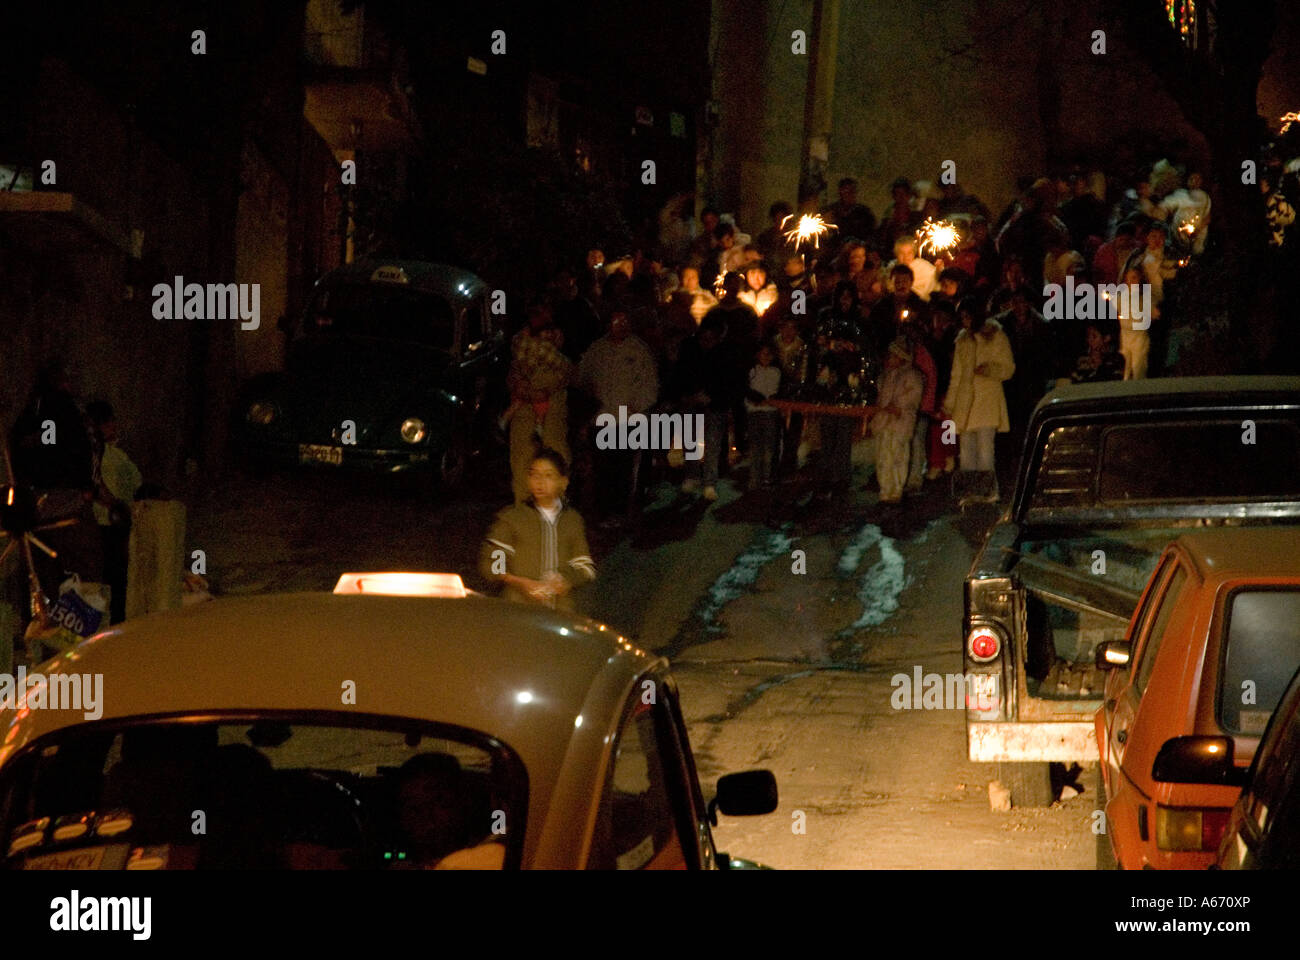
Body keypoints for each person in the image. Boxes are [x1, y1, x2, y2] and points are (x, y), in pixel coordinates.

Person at [479, 448, 595, 611]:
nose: (540, 482)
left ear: (563, 482)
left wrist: (565, 580)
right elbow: (492, 563)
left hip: (561, 612)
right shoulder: (512, 518)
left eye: (548, 476)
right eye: (535, 475)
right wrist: (518, 582)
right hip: (519, 609)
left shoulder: (572, 520)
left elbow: (585, 566)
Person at [577, 310, 659, 522]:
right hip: (601, 417)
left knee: (622, 468)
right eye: (617, 322)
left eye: (625, 322)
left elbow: (650, 384)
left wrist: (638, 407)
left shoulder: (638, 350)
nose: (621, 326)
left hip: (626, 419)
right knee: (602, 468)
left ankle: (620, 511)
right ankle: (603, 511)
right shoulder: (597, 350)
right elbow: (583, 379)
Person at [942, 303, 1015, 505]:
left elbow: (1008, 368)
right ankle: (972, 491)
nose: (965, 321)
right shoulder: (963, 340)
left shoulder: (995, 336)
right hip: (966, 401)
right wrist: (950, 403)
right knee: (966, 449)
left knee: (985, 448)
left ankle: (988, 491)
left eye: (968, 317)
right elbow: (956, 374)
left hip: (987, 398)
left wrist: (990, 369)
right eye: (962, 318)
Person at [670, 314, 743, 502]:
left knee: (713, 444)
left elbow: (728, 378)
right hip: (690, 399)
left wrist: (711, 395)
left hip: (715, 402)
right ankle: (692, 476)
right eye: (704, 338)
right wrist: (691, 394)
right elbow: (681, 372)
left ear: (720, 337)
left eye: (711, 339)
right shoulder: (689, 347)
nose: (707, 343)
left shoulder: (726, 351)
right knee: (690, 440)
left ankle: (709, 482)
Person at [505, 305, 573, 504]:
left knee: (556, 455)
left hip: (551, 407)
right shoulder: (522, 344)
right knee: (522, 460)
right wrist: (523, 388)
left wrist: (543, 388)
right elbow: (513, 373)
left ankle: (556, 505)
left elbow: (567, 372)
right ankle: (524, 509)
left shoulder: (557, 353)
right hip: (525, 408)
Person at [86, 401, 141, 625]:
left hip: (95, 523)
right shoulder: (112, 457)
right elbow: (130, 488)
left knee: (102, 582)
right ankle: (118, 626)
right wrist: (120, 507)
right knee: (118, 581)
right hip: (111, 524)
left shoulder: (98, 452)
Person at [869, 339, 924, 504]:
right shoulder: (886, 376)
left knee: (899, 456)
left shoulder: (912, 376)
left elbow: (913, 396)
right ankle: (885, 490)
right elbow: (881, 397)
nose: (890, 359)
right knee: (883, 456)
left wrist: (899, 405)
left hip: (900, 421)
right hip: (885, 421)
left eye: (894, 355)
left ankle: (896, 489)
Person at [744, 343, 782, 489]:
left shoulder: (776, 372)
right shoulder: (752, 371)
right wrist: (753, 400)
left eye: (769, 354)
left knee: (769, 447)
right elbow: (747, 389)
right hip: (754, 411)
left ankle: (766, 477)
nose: (766, 357)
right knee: (755, 446)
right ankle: (754, 477)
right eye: (763, 354)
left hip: (770, 412)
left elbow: (777, 389)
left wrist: (773, 399)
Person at [1115, 266, 1150, 380]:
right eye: (1128, 279)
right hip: (1126, 338)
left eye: (1134, 278)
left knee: (1137, 368)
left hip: (1139, 339)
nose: (1130, 282)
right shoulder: (1121, 298)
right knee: (1126, 370)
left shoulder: (1144, 298)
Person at [1068, 319, 1125, 384]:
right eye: (1088, 337)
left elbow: (1114, 381)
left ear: (1106, 338)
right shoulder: (1084, 361)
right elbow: (1075, 381)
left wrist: (1099, 364)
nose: (1090, 340)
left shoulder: (1116, 359)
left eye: (1094, 337)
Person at [888, 236, 936, 301]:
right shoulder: (891, 267)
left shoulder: (925, 267)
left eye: (909, 253)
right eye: (901, 253)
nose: (905, 257)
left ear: (914, 253)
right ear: (896, 254)